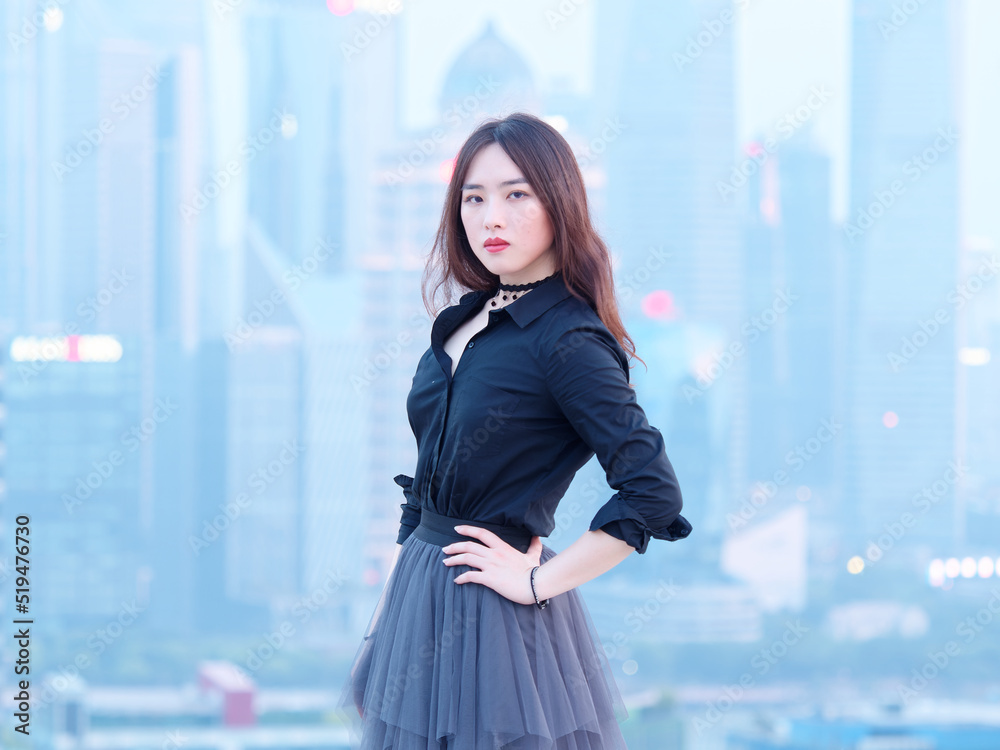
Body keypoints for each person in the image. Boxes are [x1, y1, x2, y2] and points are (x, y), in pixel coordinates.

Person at [335, 111, 692, 749]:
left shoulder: (568, 339)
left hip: (492, 620)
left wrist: (536, 581)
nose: (489, 218)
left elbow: (652, 494)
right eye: (473, 198)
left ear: (560, 202)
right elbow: (426, 485)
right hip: (418, 597)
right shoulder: (460, 321)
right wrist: (389, 620)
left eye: (516, 194)